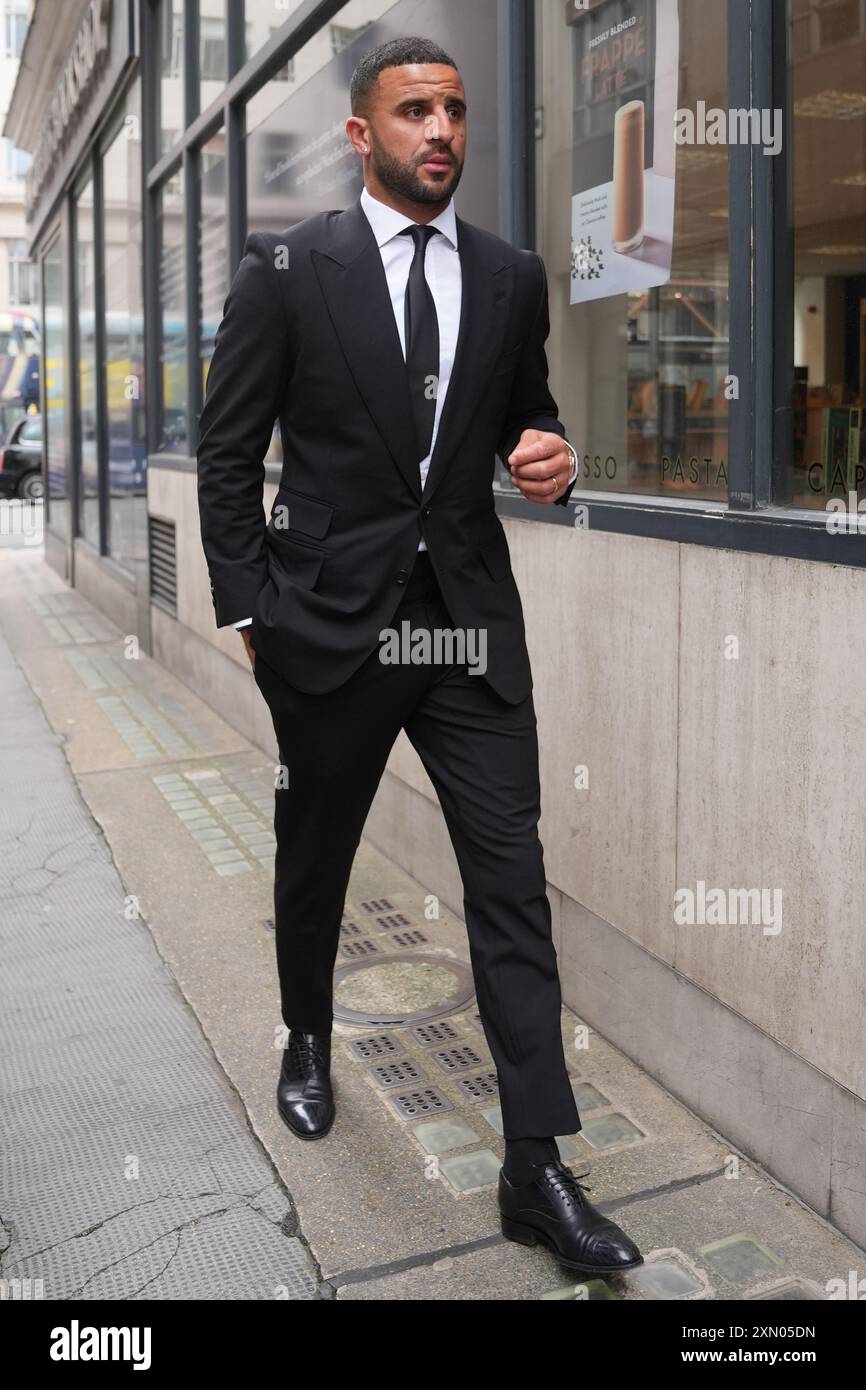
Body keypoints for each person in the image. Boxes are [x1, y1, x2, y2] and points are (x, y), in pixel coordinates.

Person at [197, 35, 642, 1276]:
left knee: (510, 883)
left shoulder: (508, 276)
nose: (440, 129)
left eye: (452, 110)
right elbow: (226, 454)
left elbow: (525, 424)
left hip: (465, 634)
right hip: (330, 631)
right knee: (315, 856)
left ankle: (534, 1166)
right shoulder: (290, 270)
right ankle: (304, 1033)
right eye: (412, 111)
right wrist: (249, 614)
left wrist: (545, 458)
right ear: (361, 136)